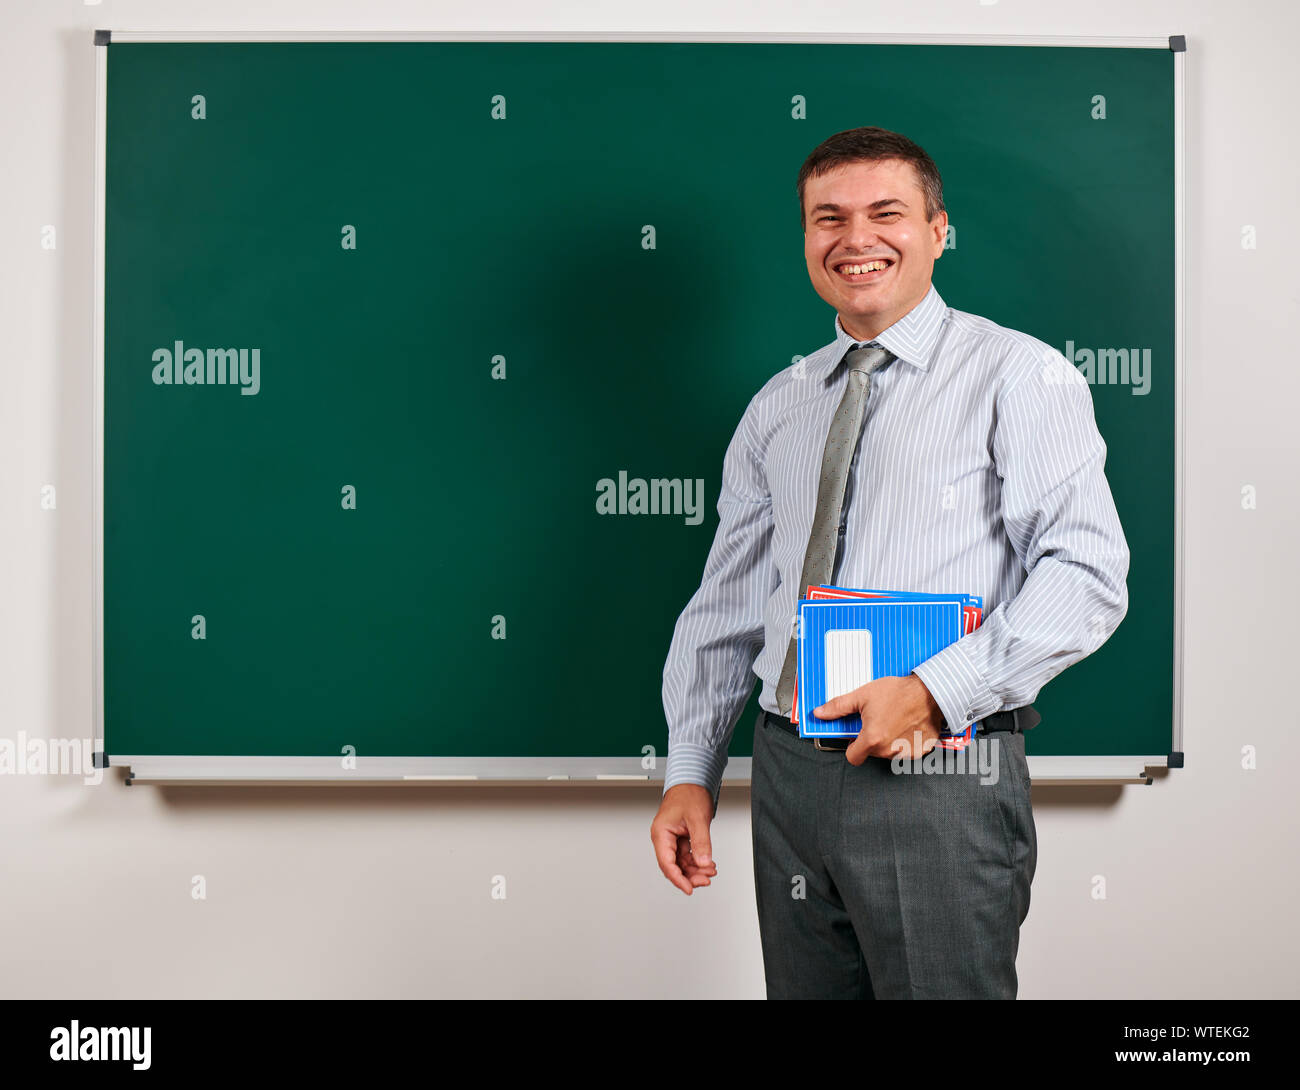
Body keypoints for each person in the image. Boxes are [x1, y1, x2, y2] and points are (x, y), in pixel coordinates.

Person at [650, 126, 1130, 999]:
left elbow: (1086, 575)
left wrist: (936, 690)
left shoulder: (1021, 376)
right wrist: (692, 770)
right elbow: (726, 604)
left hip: (939, 768)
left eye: (886, 213)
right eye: (826, 218)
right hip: (789, 772)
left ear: (939, 230)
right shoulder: (779, 405)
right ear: (805, 238)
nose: (855, 238)